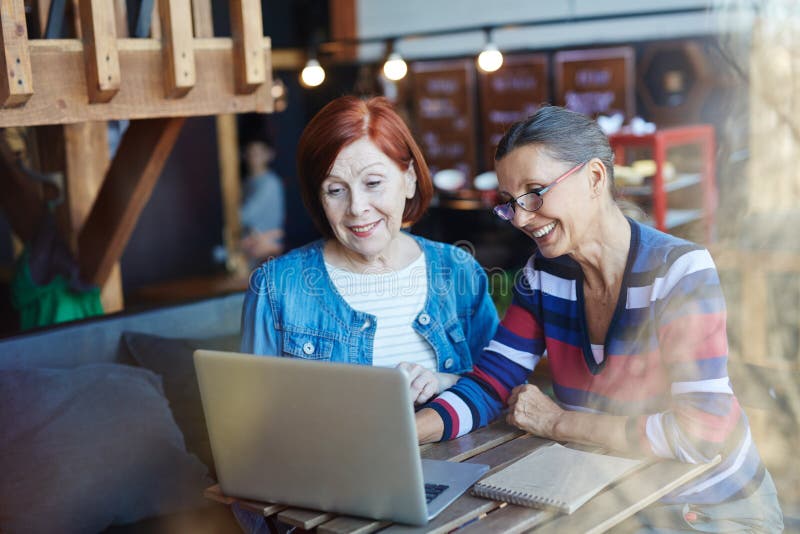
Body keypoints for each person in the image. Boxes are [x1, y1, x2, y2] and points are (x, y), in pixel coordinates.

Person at [415, 106, 784, 532]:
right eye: (510, 202)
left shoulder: (680, 272)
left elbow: (702, 435)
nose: (521, 217)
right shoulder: (543, 275)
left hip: (712, 507)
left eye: (534, 192)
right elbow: (490, 385)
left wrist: (559, 422)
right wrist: (401, 437)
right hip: (614, 502)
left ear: (593, 178)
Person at [241, 94, 499, 404]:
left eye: (373, 183)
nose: (357, 207)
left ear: (409, 180)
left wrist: (445, 382)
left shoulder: (458, 271)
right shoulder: (275, 288)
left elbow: (497, 390)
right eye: (335, 190)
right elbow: (254, 416)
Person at [239, 138, 285, 263]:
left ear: (269, 155)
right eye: (250, 153)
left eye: (258, 153)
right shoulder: (246, 182)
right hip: (248, 246)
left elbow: (246, 214)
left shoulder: (270, 183)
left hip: (264, 248)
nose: (254, 158)